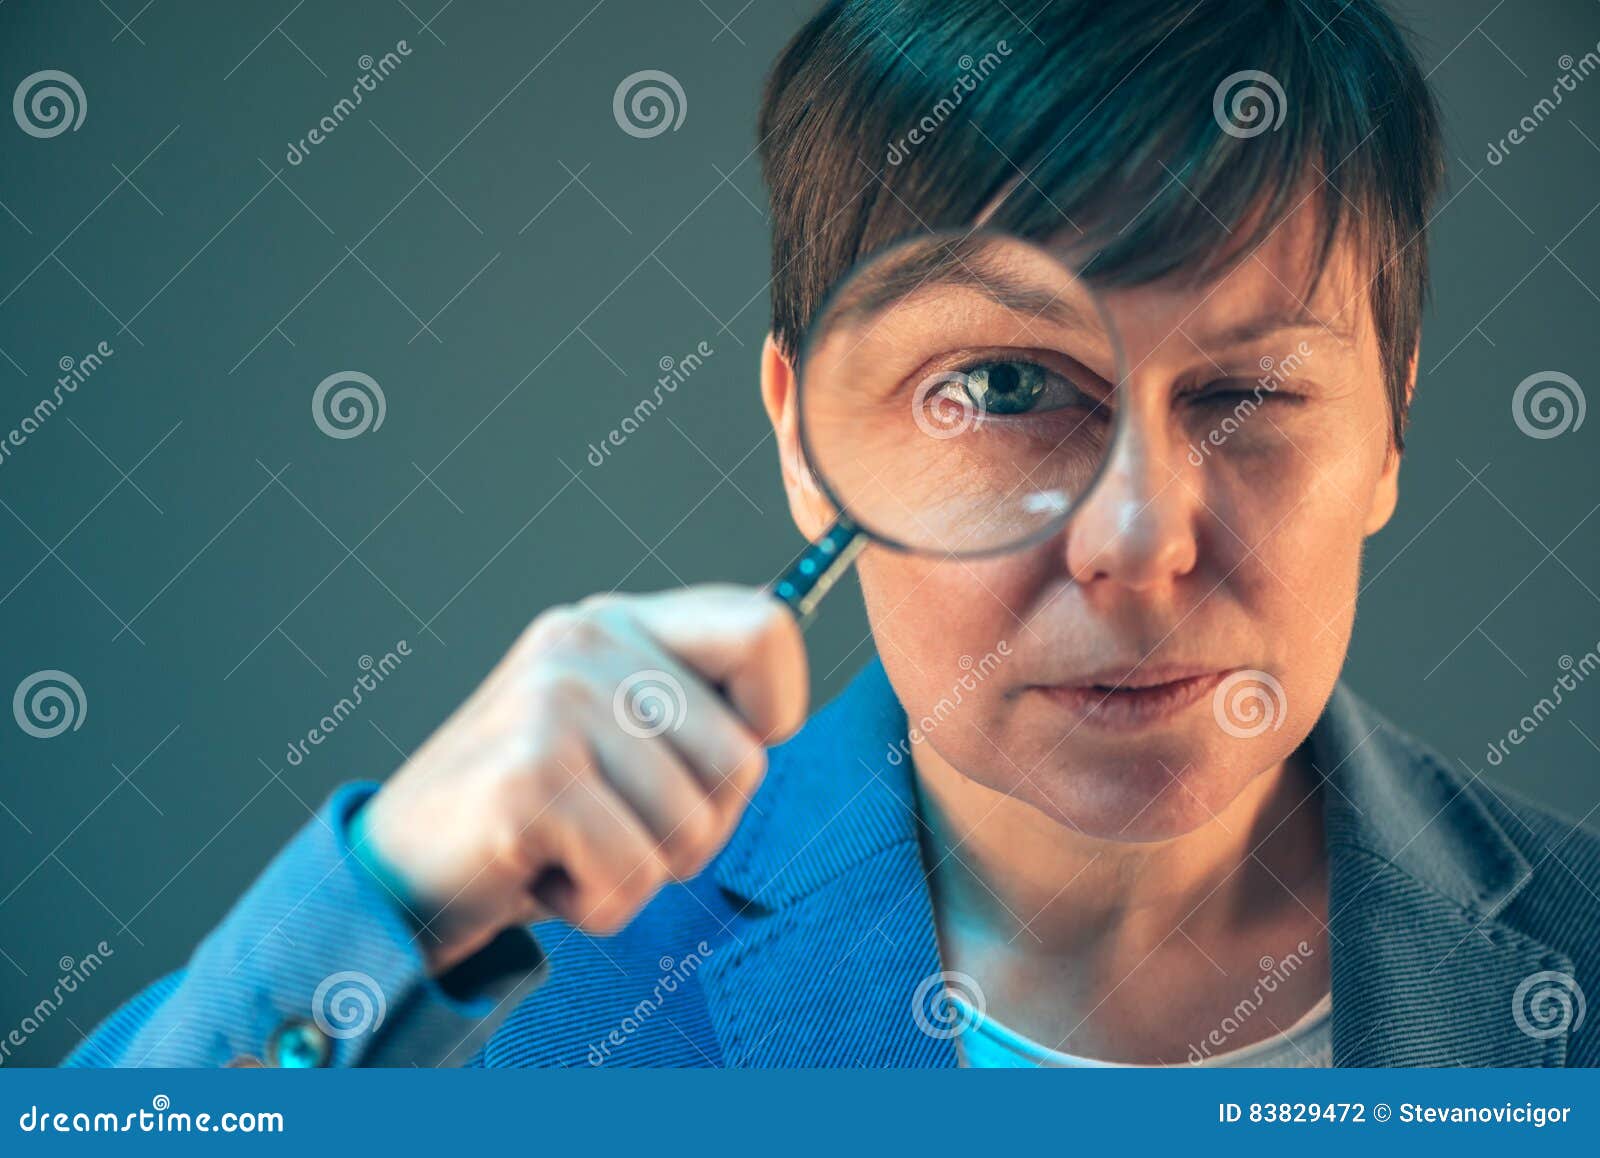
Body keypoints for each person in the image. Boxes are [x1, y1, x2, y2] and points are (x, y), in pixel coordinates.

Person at [70, 0, 1597, 1069]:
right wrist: (389, 897)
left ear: (1392, 426)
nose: (1140, 539)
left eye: (1250, 388)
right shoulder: (512, 1000)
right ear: (809, 440)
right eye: (1004, 385)